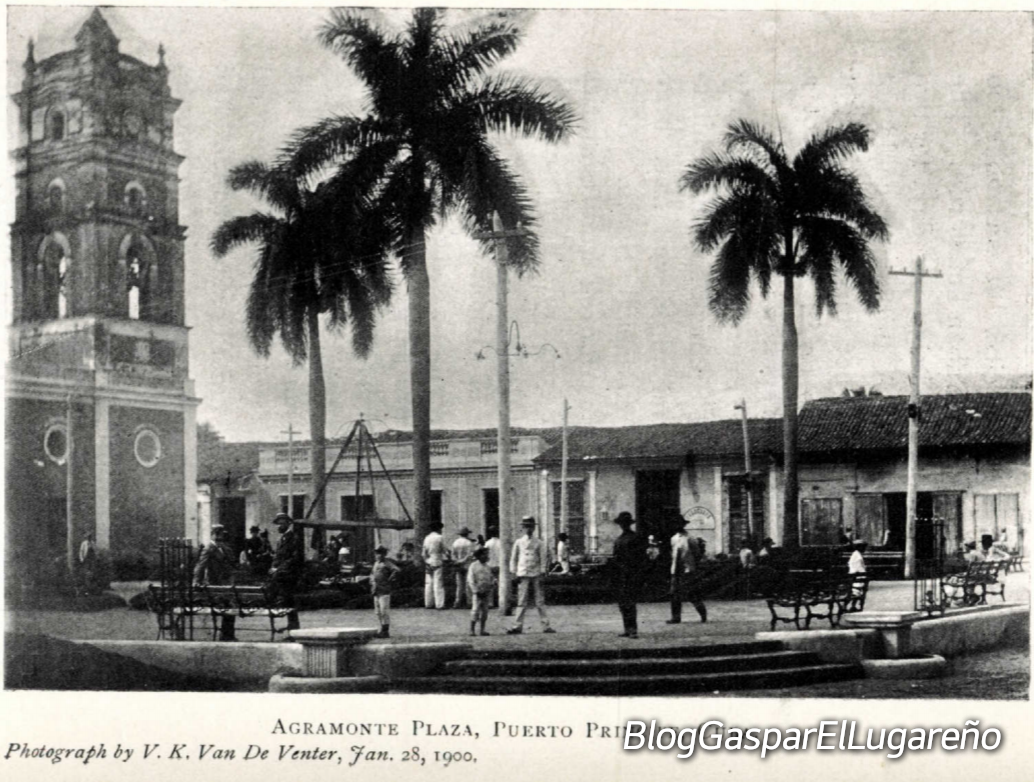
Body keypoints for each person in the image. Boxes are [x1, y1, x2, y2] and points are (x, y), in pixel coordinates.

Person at [507, 516, 555, 635]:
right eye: (526, 526)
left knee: (539, 601)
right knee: (521, 601)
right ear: (522, 528)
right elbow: (513, 558)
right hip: (523, 572)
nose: (528, 529)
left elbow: (543, 558)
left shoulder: (539, 542)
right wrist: (513, 572)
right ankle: (517, 626)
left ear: (534, 528)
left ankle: (545, 626)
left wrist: (543, 571)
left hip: (536, 572)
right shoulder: (518, 542)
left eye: (530, 526)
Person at [193, 525, 238, 641]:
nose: (220, 536)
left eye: (221, 534)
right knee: (229, 606)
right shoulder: (209, 549)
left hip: (226, 584)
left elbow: (232, 564)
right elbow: (200, 566)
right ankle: (226, 635)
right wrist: (196, 581)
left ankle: (227, 635)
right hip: (215, 585)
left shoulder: (225, 548)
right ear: (213, 535)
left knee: (231, 606)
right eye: (217, 534)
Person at [612, 511, 646, 639]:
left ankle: (633, 630)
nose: (623, 525)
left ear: (629, 524)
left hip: (631, 574)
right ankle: (627, 628)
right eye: (622, 523)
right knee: (622, 603)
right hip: (620, 575)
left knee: (630, 602)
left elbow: (640, 557)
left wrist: (637, 572)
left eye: (625, 523)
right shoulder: (619, 539)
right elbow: (615, 557)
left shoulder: (635, 538)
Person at [269, 513, 303, 633]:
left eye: (281, 523)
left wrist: (278, 568)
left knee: (289, 601)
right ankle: (292, 628)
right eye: (278, 524)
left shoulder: (293, 538)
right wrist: (273, 566)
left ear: (288, 524)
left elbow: (294, 558)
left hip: (288, 575)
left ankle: (293, 628)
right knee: (287, 601)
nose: (279, 526)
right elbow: (278, 556)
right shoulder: (282, 538)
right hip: (281, 574)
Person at [668, 518, 707, 624]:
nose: (677, 526)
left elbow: (697, 554)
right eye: (675, 524)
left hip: (687, 570)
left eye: (679, 524)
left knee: (691, 593)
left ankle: (703, 614)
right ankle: (676, 617)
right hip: (675, 570)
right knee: (674, 594)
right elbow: (673, 554)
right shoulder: (673, 538)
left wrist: (692, 565)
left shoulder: (690, 538)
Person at [370, 545, 400, 638]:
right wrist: (372, 581)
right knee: (378, 611)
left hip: (384, 589)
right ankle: (381, 628)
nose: (377, 555)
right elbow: (372, 573)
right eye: (376, 553)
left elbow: (396, 570)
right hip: (376, 589)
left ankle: (385, 630)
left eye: (379, 553)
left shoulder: (387, 563)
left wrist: (390, 578)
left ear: (384, 554)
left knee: (384, 610)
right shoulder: (376, 563)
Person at [467, 546, 495, 636]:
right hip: (477, 592)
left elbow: (491, 578)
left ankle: (482, 630)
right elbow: (470, 579)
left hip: (486, 591)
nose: (486, 556)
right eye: (485, 555)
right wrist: (475, 590)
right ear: (479, 556)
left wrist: (493, 583)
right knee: (475, 610)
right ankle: (472, 630)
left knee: (485, 612)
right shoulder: (473, 566)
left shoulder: (487, 567)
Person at [422, 520, 448, 609]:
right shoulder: (440, 537)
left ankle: (428, 603)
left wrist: (426, 561)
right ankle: (439, 604)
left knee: (429, 583)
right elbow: (445, 550)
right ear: (438, 529)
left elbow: (423, 553)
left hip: (429, 561)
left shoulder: (427, 538)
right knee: (438, 583)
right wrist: (448, 556)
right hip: (437, 560)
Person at [451, 526, 475, 608]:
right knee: (468, 584)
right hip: (467, 565)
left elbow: (453, 554)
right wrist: (463, 561)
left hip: (458, 565)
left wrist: (457, 561)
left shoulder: (455, 543)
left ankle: (457, 602)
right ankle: (469, 602)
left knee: (459, 585)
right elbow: (470, 555)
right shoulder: (469, 543)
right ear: (467, 534)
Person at [484, 533, 502, 609]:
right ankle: (499, 601)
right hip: (499, 565)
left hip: (490, 565)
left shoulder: (487, 543)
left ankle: (490, 602)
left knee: (490, 584)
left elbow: (485, 553)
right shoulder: (501, 542)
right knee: (499, 584)